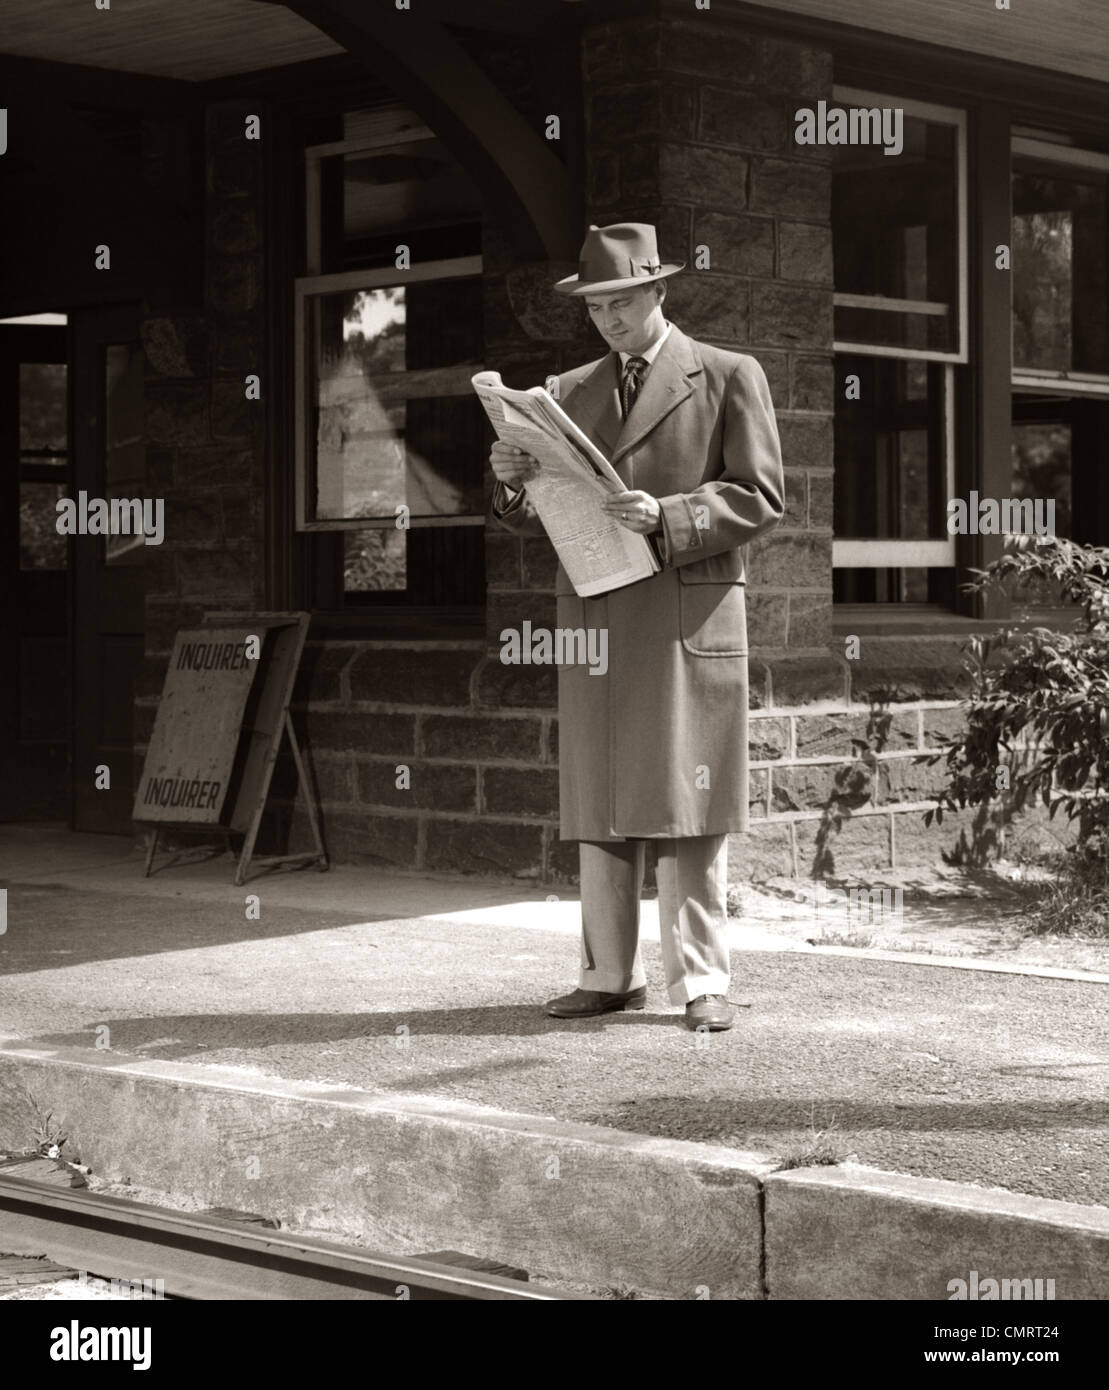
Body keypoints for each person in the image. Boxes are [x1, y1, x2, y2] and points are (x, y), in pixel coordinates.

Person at [490, 222, 784, 1031]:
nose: (609, 320)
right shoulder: (567, 388)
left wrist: (669, 513)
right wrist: (512, 484)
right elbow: (543, 515)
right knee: (601, 798)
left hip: (684, 614)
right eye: (595, 308)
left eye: (622, 302)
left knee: (688, 804)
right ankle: (606, 974)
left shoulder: (728, 374)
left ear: (659, 292)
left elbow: (760, 496)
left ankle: (701, 983)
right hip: (596, 614)